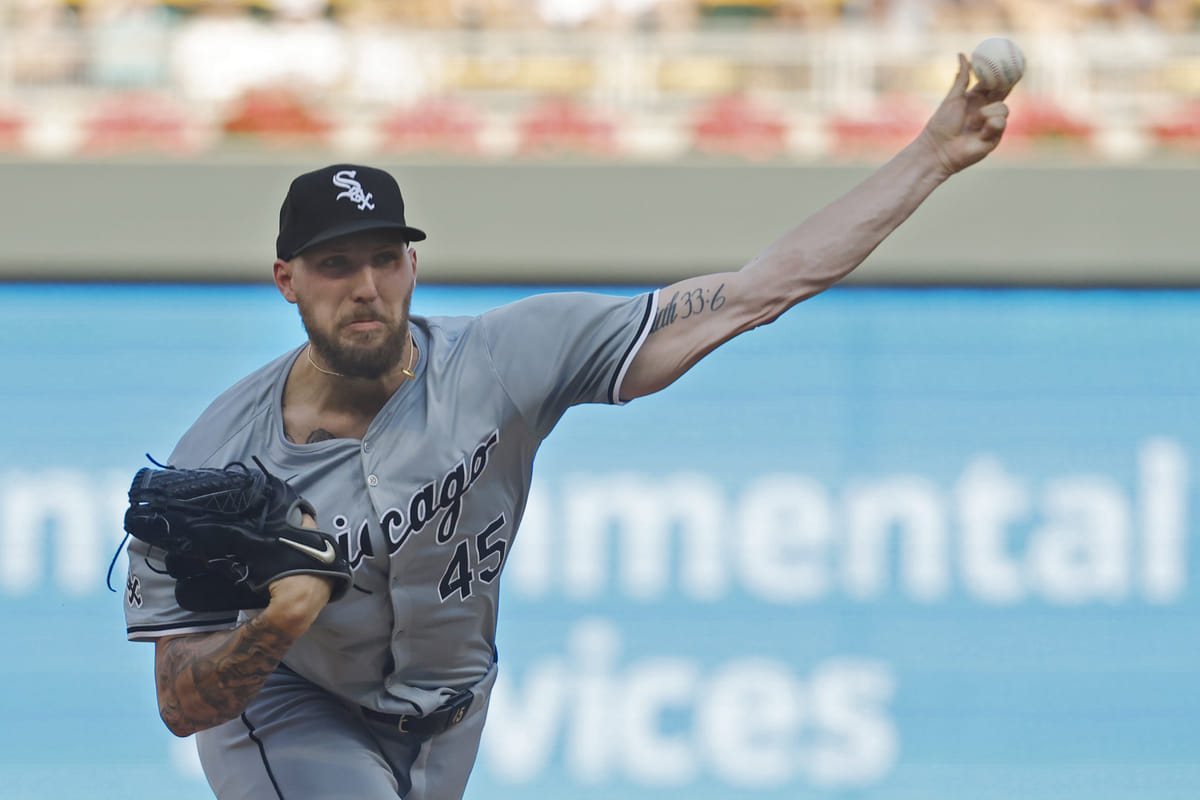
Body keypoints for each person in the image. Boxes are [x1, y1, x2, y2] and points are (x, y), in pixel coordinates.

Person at [123, 54, 1010, 800]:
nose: (366, 286)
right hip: (291, 707)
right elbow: (181, 703)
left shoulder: (507, 358)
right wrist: (279, 625)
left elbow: (756, 291)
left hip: (450, 715)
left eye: (385, 258)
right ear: (287, 279)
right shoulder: (220, 458)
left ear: (412, 263)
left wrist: (932, 155)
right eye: (334, 264)